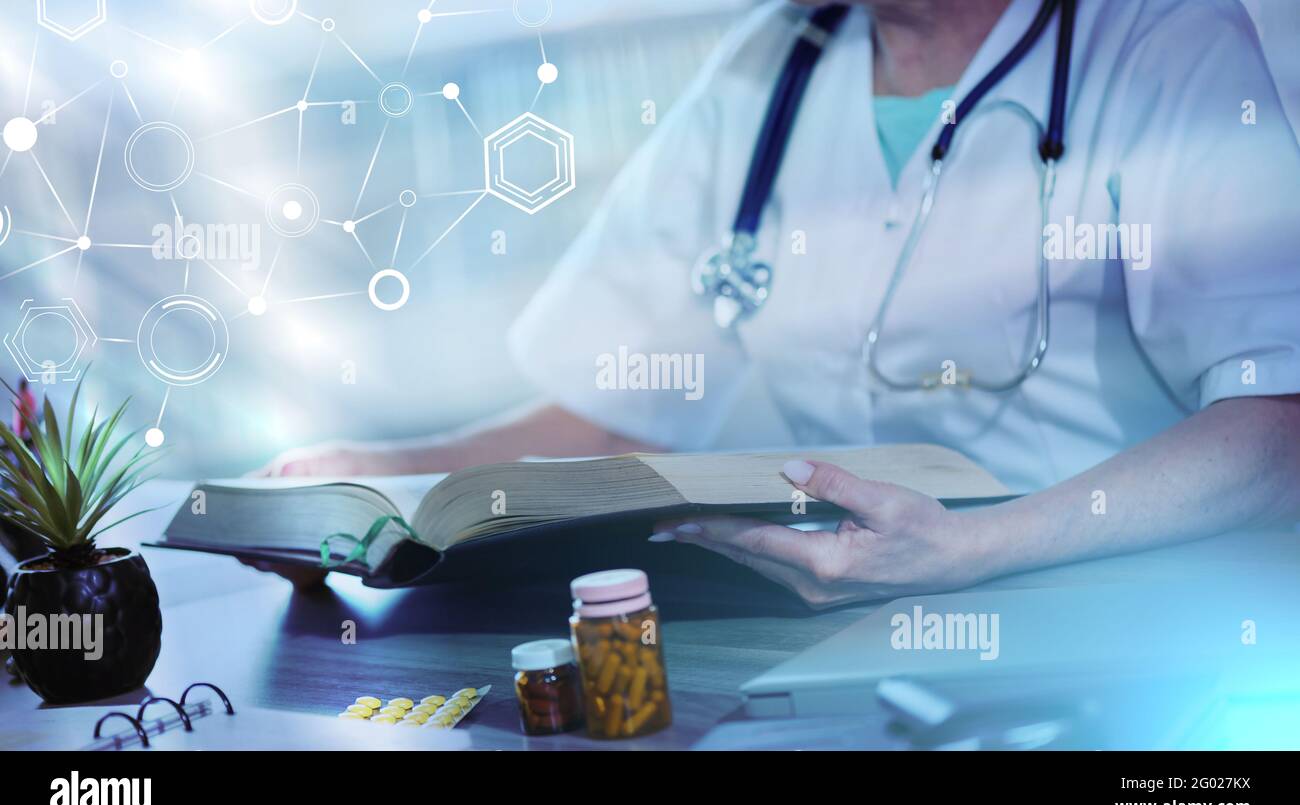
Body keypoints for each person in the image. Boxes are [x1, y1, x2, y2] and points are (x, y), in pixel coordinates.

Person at [256, 0, 1300, 606]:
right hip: (846, 614)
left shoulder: (1164, 40)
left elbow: (1276, 429)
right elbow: (615, 406)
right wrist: (393, 479)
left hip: (1150, 619)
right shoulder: (770, 68)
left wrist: (972, 547)